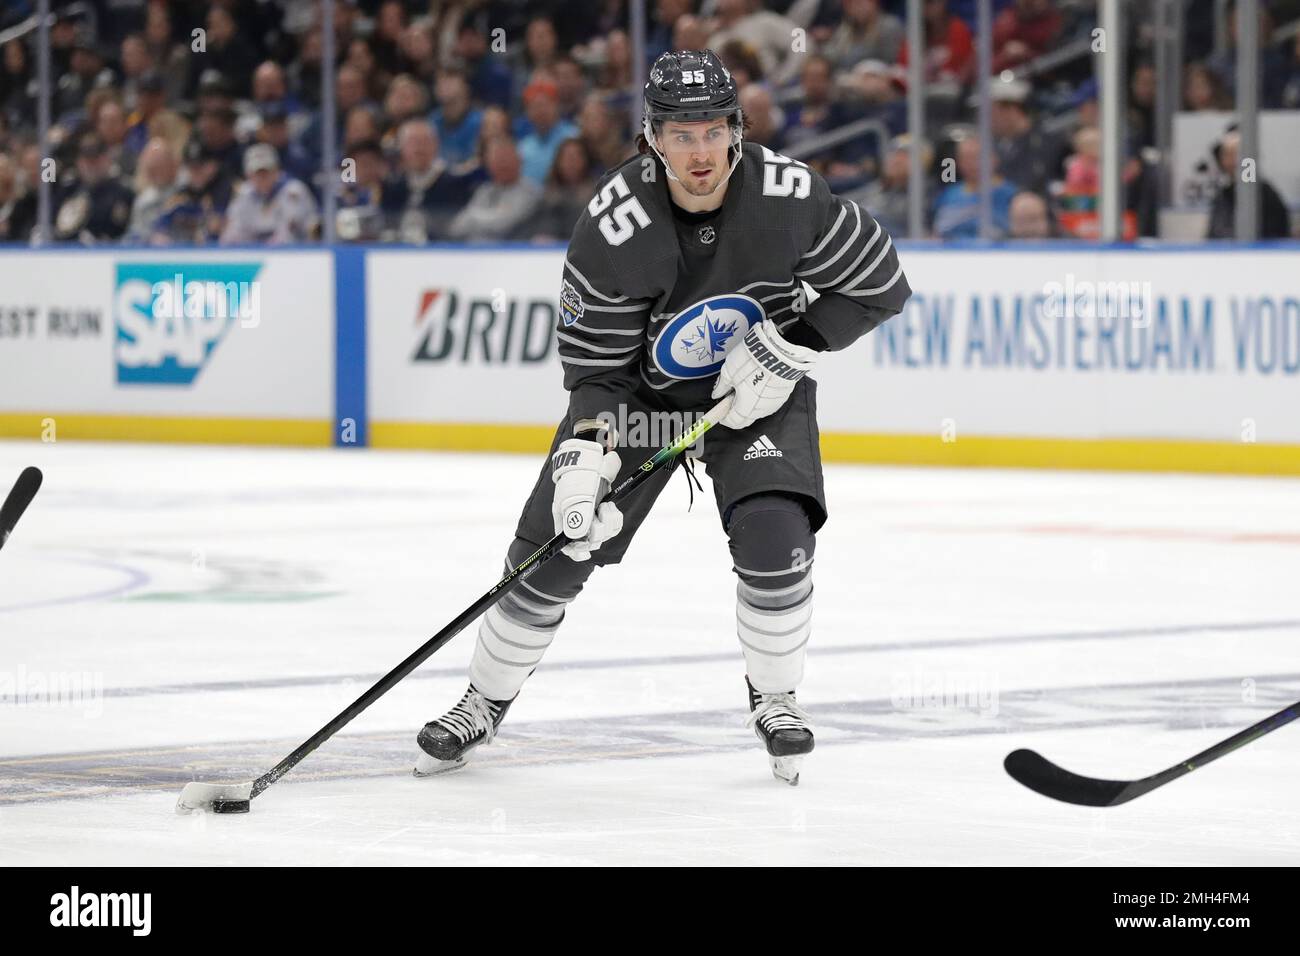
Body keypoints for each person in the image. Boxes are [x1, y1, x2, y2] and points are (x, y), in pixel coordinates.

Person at [415, 49, 911, 786]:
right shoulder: (613, 228)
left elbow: (882, 286)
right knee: (552, 550)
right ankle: (481, 702)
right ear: (651, 139)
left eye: (712, 131)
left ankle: (774, 695)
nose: (700, 152)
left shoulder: (789, 196)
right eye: (681, 135)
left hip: (755, 399)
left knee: (776, 538)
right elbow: (598, 373)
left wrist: (791, 344)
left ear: (738, 131)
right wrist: (587, 460)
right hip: (641, 409)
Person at [220, 143, 319, 244]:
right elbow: (232, 232)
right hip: (257, 251)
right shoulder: (244, 193)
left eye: (266, 172)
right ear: (248, 174)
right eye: (257, 173)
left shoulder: (293, 191)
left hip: (295, 252)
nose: (261, 178)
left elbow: (289, 232)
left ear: (276, 171)